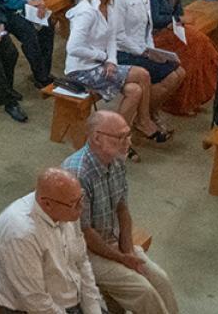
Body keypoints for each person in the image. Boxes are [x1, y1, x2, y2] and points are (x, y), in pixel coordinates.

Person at [63, 111, 179, 313]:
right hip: (84, 252)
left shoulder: (115, 160)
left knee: (160, 280)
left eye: (128, 134)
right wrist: (122, 259)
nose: (128, 142)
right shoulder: (78, 173)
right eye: (121, 137)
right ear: (97, 138)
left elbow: (122, 207)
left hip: (114, 241)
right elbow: (85, 231)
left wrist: (128, 251)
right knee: (144, 292)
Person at [65, 0, 162, 156]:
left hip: (101, 64)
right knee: (142, 74)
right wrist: (102, 57)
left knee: (135, 90)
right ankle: (143, 122)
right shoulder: (86, 12)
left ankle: (114, 137)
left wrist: (111, 60)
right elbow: (73, 48)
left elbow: (112, 39)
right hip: (82, 69)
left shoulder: (110, 7)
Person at [0, 168, 104, 314]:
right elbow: (36, 301)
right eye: (75, 203)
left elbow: (81, 262)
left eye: (82, 198)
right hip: (29, 309)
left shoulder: (68, 208)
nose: (82, 207)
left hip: (69, 297)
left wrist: (93, 309)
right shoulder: (21, 235)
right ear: (47, 204)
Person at [148, 0, 218, 116]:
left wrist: (180, 19)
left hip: (173, 28)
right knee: (195, 46)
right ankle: (178, 102)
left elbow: (178, 8)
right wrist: (178, 19)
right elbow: (154, 18)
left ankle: (195, 97)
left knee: (203, 46)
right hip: (156, 34)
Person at [114, 0, 186, 112]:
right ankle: (144, 116)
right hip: (123, 52)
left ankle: (147, 112)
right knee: (171, 76)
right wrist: (142, 51)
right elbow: (118, 36)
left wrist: (152, 50)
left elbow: (148, 26)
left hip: (143, 48)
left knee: (179, 72)